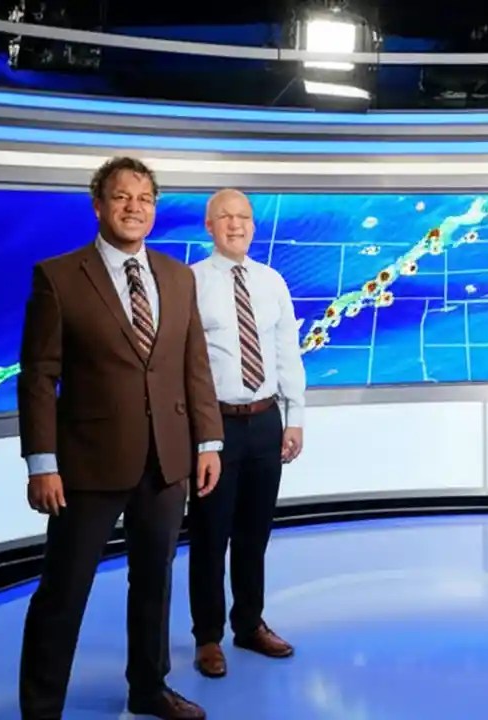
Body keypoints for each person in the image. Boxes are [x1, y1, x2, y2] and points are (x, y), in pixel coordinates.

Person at [17, 156, 223, 720]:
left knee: (154, 582)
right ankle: (41, 710)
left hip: (167, 460)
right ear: (98, 206)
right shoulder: (58, 276)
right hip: (86, 465)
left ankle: (149, 689)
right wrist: (42, 461)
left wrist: (208, 443)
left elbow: (194, 367)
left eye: (145, 198)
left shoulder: (178, 278)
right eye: (122, 196)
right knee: (63, 594)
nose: (135, 207)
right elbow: (38, 376)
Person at [187, 188, 307, 679]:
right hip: (213, 425)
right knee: (211, 536)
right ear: (209, 226)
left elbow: (286, 351)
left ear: (253, 226)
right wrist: (199, 438)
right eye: (225, 217)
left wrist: (294, 414)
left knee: (254, 534)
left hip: (265, 420)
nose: (236, 225)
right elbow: (184, 364)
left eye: (244, 217)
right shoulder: (189, 282)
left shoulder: (272, 281)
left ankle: (249, 623)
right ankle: (208, 637)